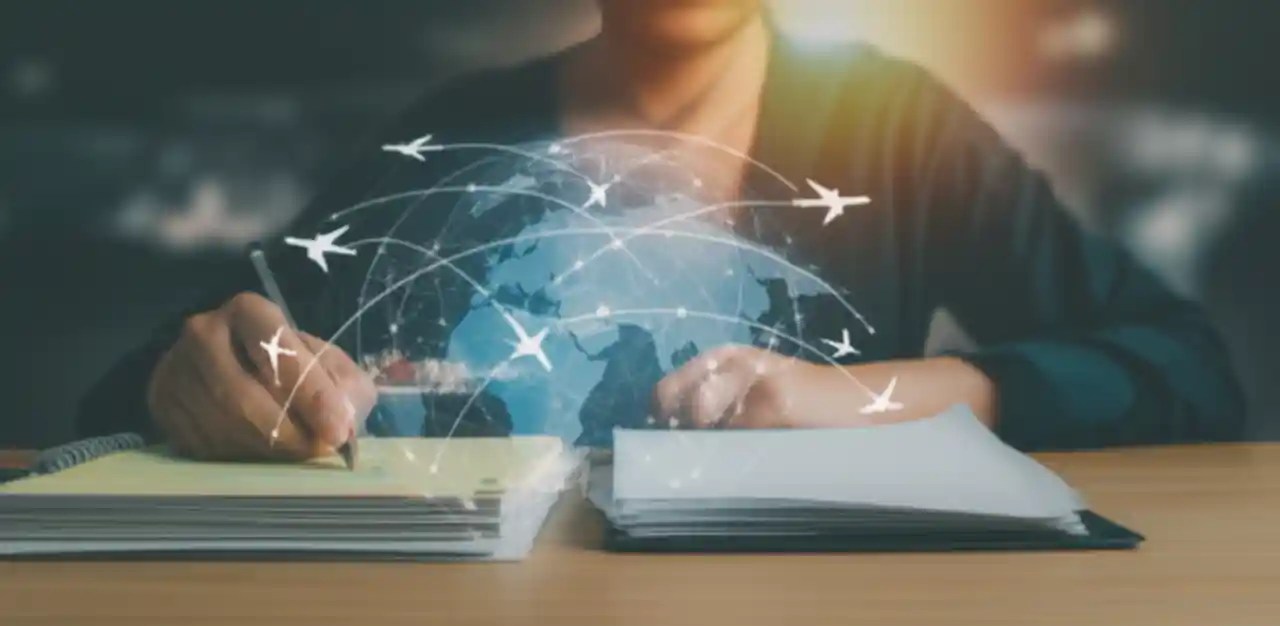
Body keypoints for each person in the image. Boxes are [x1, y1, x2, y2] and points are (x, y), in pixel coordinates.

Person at [81, 0, 1244, 460]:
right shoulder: (452, 138)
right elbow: (173, 372)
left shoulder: (893, 127)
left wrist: (883, 393)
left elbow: (1183, 372)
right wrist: (186, 376)